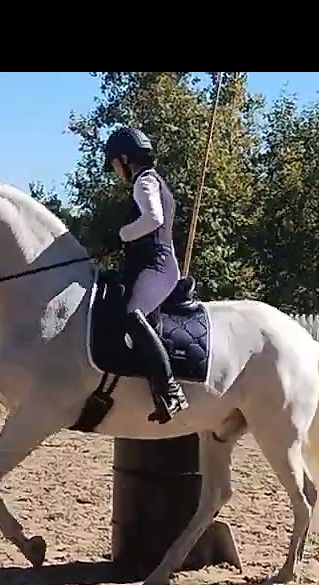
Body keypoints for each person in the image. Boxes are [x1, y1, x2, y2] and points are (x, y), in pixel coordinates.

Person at [104, 126, 188, 424]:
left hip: (158, 266)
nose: (115, 171)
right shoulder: (152, 181)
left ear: (126, 159)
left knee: (131, 315)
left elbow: (154, 218)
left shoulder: (145, 182)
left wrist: (123, 234)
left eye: (115, 164)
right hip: (151, 264)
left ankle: (170, 390)